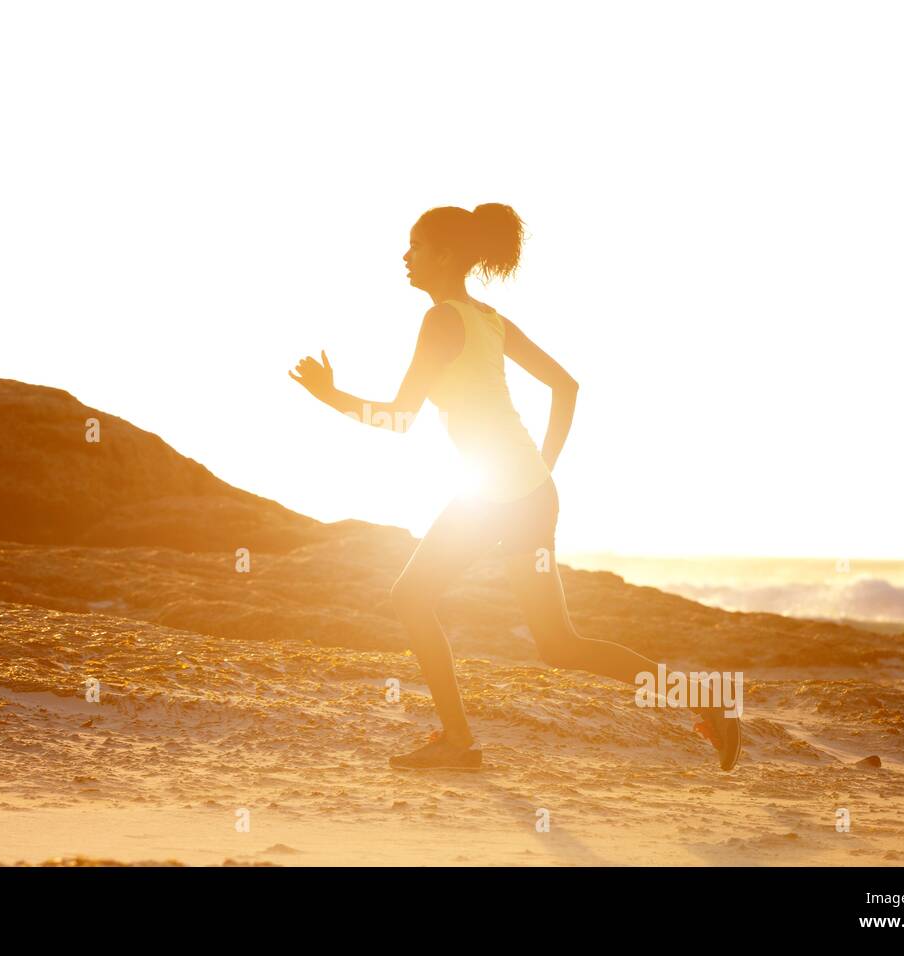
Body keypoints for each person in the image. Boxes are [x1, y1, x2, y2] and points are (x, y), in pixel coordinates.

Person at [289, 203, 741, 771]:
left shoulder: (443, 319)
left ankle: (457, 742)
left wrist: (328, 395)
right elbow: (566, 386)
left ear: (447, 255)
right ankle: (706, 700)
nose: (405, 256)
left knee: (410, 596)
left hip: (498, 498)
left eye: (416, 246)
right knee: (559, 644)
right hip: (525, 492)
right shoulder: (488, 318)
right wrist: (542, 469)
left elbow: (401, 419)